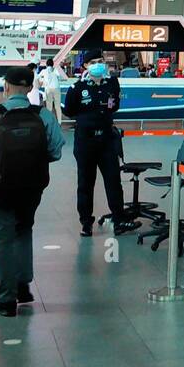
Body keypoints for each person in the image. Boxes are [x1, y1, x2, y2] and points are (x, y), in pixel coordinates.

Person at [0, 66, 64, 317]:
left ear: (6, 87)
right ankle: (23, 287)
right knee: (23, 231)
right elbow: (55, 151)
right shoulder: (43, 116)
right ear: (30, 88)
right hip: (31, 189)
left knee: (2, 241)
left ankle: (7, 300)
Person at [63, 55, 138, 236]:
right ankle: (86, 223)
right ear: (86, 66)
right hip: (85, 141)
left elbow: (115, 106)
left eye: (100, 61)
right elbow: (69, 110)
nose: (98, 65)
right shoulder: (77, 88)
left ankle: (119, 220)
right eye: (93, 62)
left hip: (106, 140)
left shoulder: (112, 83)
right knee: (86, 183)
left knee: (113, 181)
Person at [37, 57, 63, 122]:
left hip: (48, 89)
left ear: (46, 64)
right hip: (56, 88)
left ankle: (49, 121)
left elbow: (38, 77)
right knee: (57, 107)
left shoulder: (43, 71)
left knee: (49, 107)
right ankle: (59, 122)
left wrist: (43, 81)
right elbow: (60, 77)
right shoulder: (55, 70)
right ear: (53, 64)